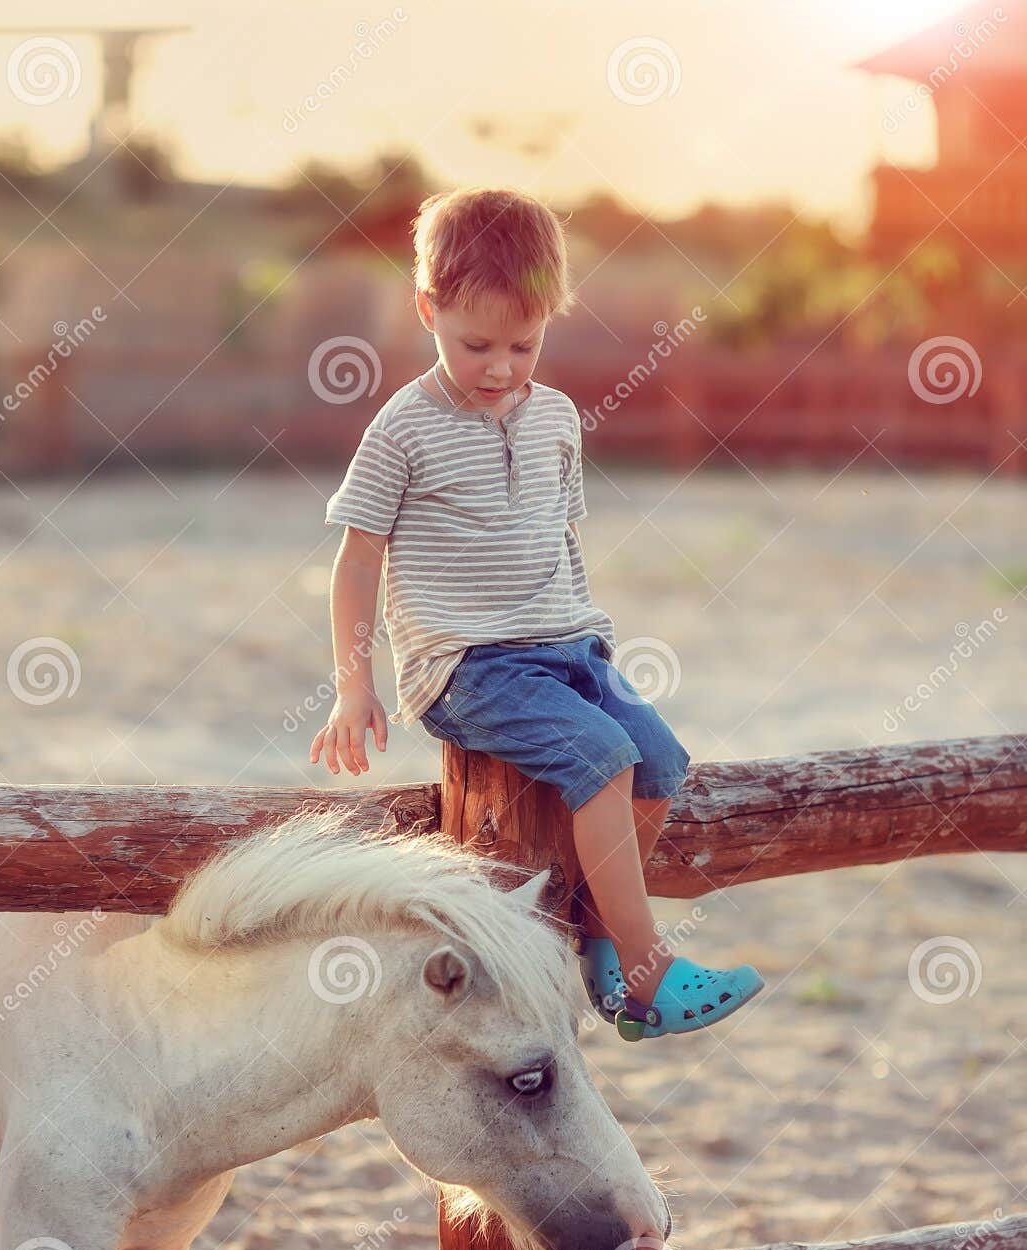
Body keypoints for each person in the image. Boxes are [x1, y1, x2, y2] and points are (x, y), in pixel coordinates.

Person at [310, 187, 762, 1040]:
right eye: (474, 343)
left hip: (569, 648)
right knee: (599, 757)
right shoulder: (403, 428)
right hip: (469, 666)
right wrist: (350, 686)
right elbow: (357, 556)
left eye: (524, 344)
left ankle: (593, 939)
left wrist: (593, 647)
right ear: (427, 309)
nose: (501, 367)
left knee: (659, 760)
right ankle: (644, 966)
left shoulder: (556, 417)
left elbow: (562, 538)